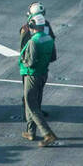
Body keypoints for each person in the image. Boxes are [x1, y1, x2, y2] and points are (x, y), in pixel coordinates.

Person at [19, 14, 59, 147]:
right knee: (35, 101)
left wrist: (23, 61)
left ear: (33, 26)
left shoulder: (33, 41)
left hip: (32, 75)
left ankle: (47, 133)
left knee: (31, 105)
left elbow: (29, 62)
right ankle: (31, 132)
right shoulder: (49, 39)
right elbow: (53, 57)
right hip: (43, 74)